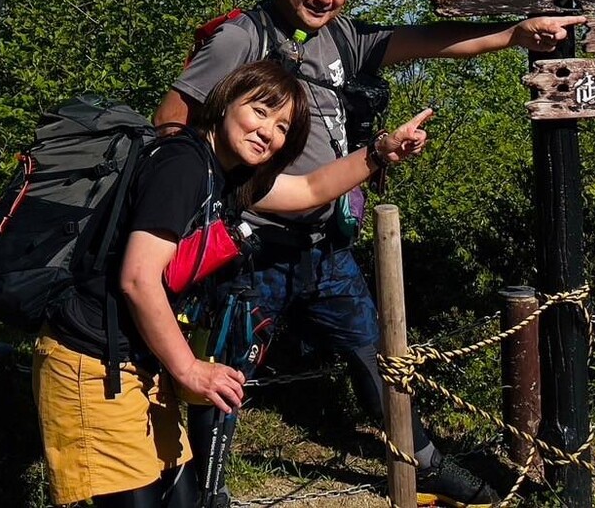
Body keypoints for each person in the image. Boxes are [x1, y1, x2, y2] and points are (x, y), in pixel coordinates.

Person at [153, 0, 586, 508]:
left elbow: (427, 41)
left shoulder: (341, 38)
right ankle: (204, 489)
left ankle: (422, 462)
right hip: (251, 246)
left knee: (377, 353)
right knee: (226, 370)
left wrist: (513, 35)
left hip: (324, 244)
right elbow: (171, 121)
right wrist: (219, 193)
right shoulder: (241, 38)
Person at [33, 59, 433, 508]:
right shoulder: (182, 165)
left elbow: (308, 190)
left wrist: (379, 153)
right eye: (259, 111)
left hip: (138, 363)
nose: (268, 132)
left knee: (181, 500)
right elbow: (138, 279)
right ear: (225, 102)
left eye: (282, 127)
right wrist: (190, 369)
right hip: (93, 363)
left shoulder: (221, 175)